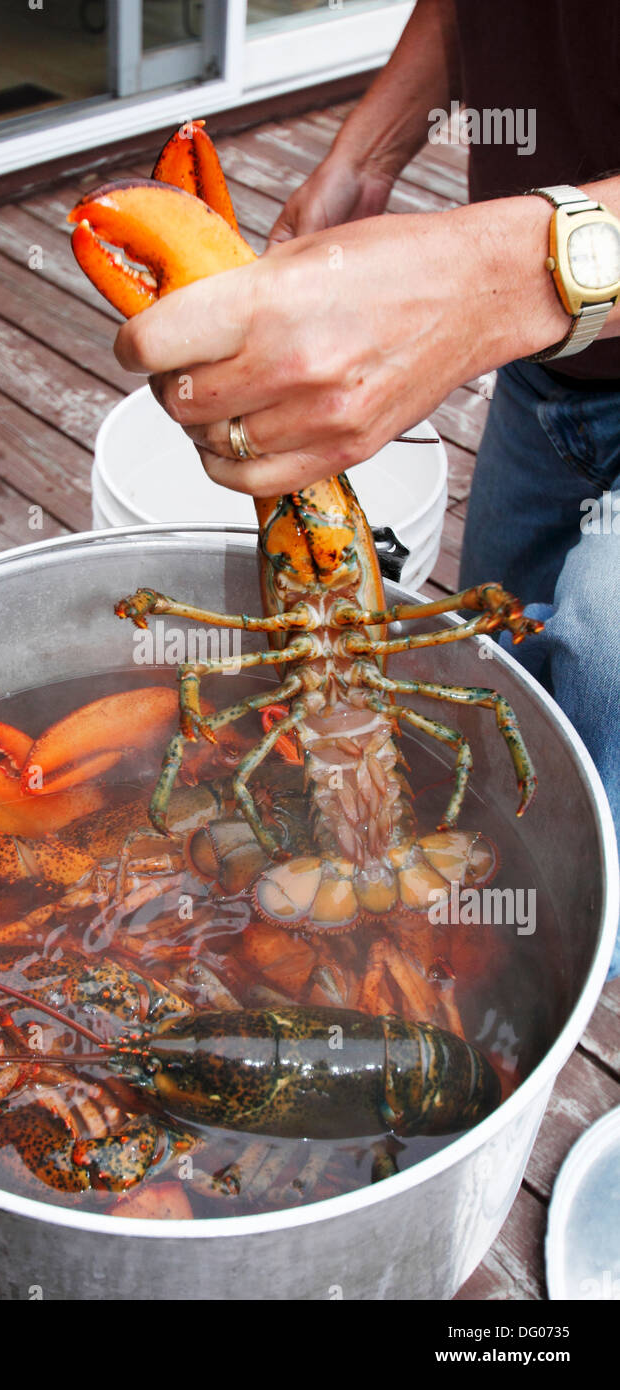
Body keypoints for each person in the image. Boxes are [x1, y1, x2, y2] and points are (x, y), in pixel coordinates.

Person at [113, 0, 620, 978]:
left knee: (600, 648)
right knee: (497, 661)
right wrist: (369, 150)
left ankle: (573, 971)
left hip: (539, 299)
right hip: (556, 354)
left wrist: (507, 275)